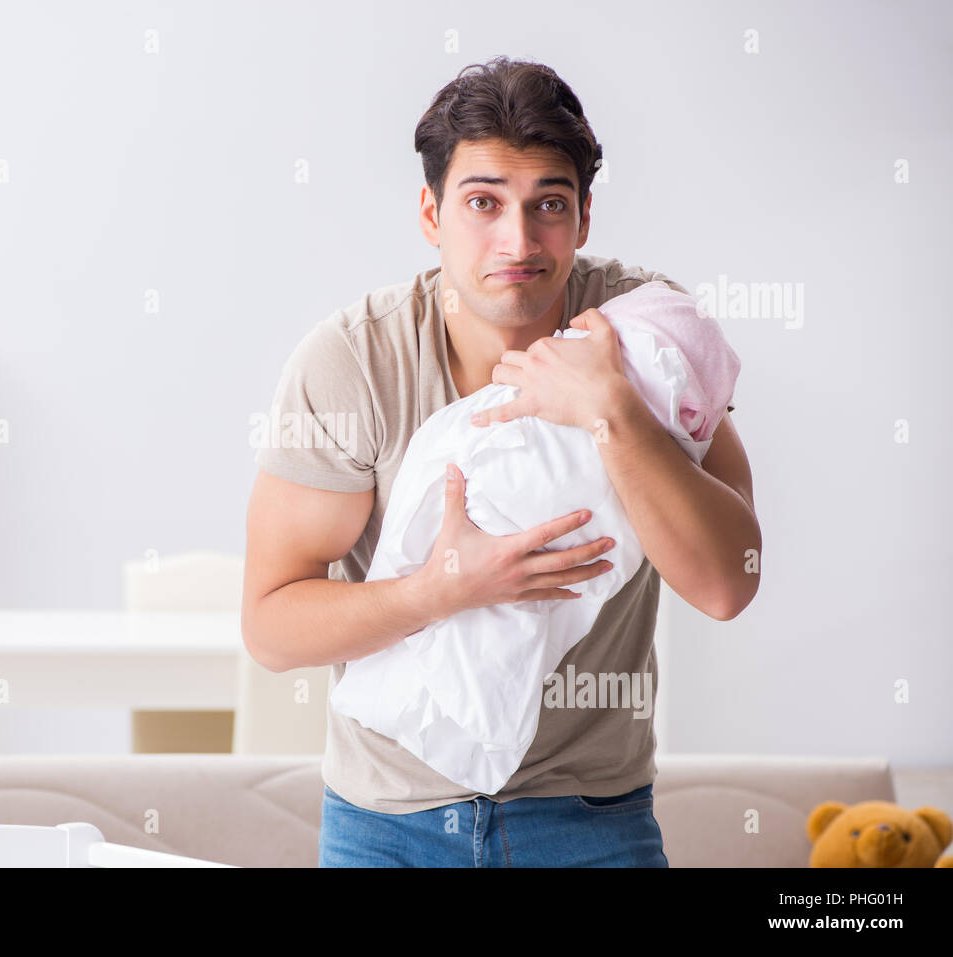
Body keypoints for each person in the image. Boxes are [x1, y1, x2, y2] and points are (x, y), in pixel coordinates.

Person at [242, 56, 760, 867]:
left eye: (548, 205)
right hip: (389, 822)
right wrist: (439, 591)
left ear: (584, 217)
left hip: (590, 817)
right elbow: (270, 626)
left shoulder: (642, 331)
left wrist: (612, 409)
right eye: (483, 202)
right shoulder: (354, 361)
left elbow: (729, 581)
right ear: (431, 211)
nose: (517, 241)